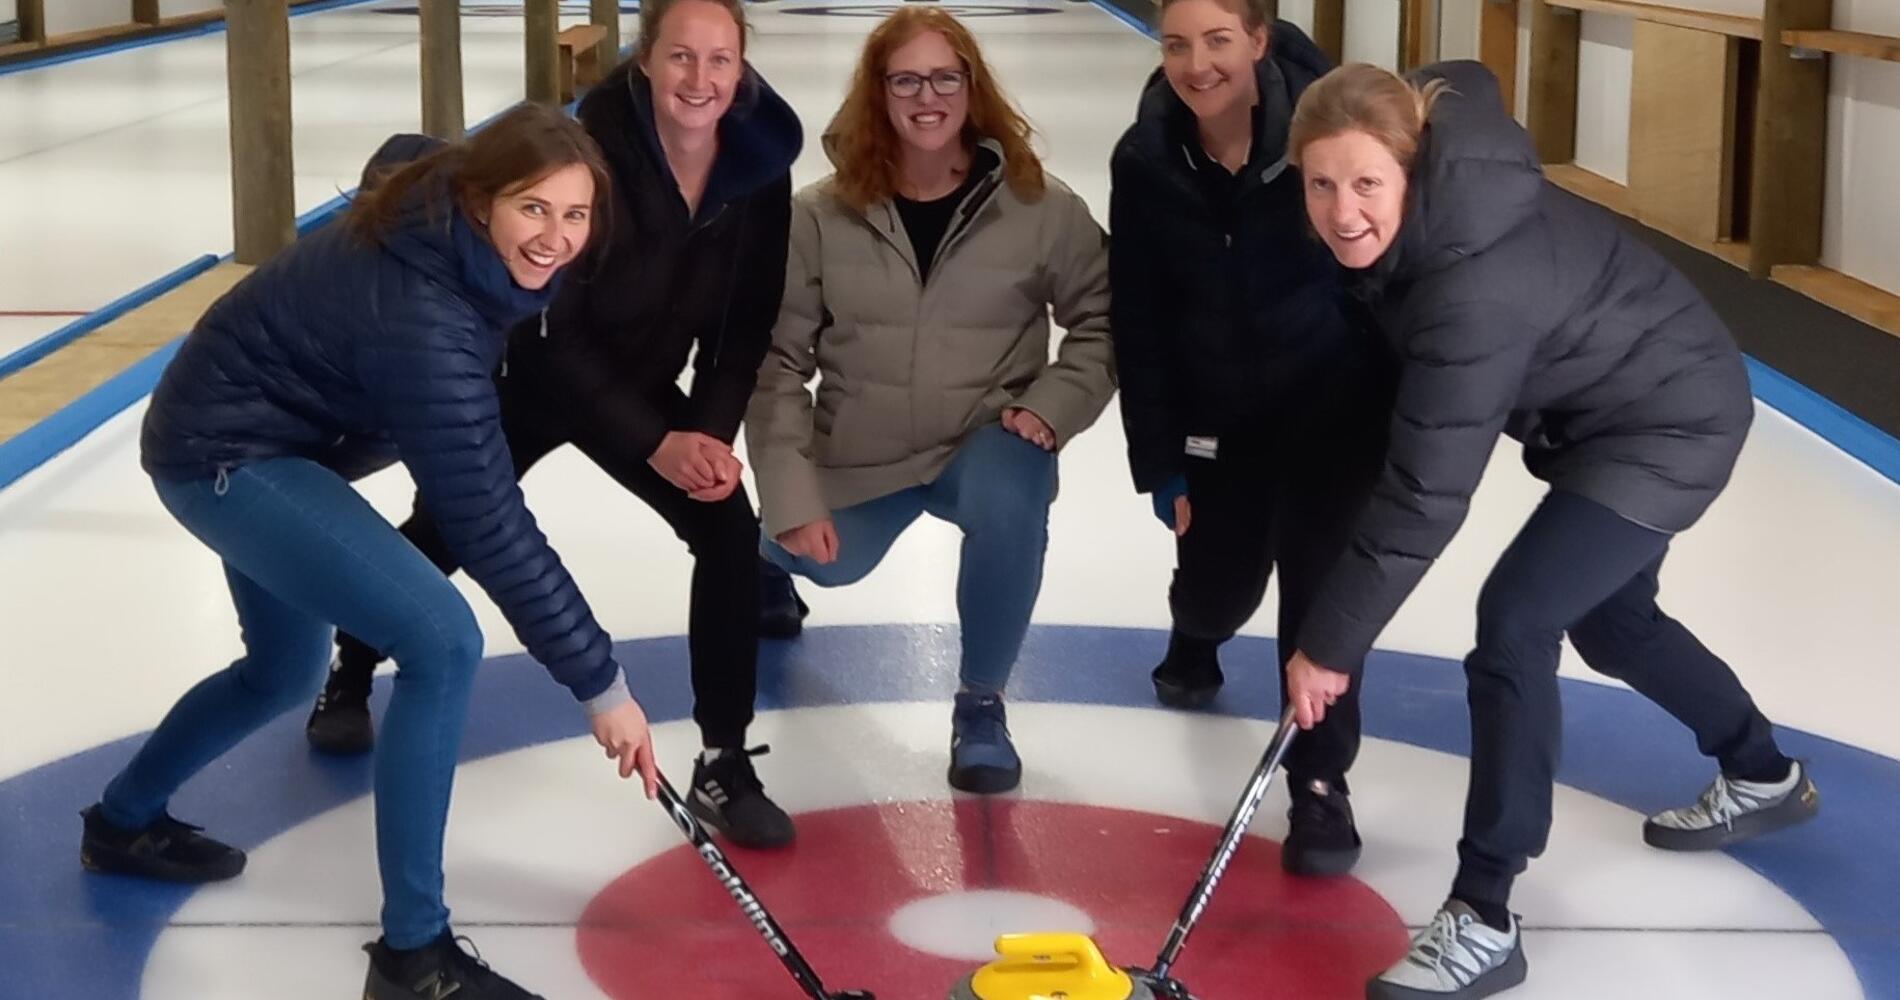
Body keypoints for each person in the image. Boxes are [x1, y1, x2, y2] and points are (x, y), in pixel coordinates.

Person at [81, 104, 659, 1000]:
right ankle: (414, 959)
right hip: (227, 454)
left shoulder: (442, 231)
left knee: (281, 672)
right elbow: (486, 518)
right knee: (443, 640)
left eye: (575, 214)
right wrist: (601, 686)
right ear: (479, 201)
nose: (554, 237)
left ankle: (121, 823)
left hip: (271, 436)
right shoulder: (424, 314)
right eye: (532, 210)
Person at [1284, 61, 1821, 999]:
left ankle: (1484, 912)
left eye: (1366, 183)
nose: (1342, 211)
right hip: (1605, 411)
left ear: (1411, 171)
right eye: (1320, 184)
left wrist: (1330, 643)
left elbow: (1426, 493)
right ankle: (1761, 771)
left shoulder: (1471, 288)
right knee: (1612, 622)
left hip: (1669, 423)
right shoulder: (1435, 226)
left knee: (1516, 622)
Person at [305, 0, 803, 848]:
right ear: (646, 59)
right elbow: (554, 330)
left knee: (726, 527)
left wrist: (710, 435)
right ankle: (353, 659)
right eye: (681, 56)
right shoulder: (594, 151)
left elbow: (745, 320)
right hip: (533, 372)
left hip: (643, 384)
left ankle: (724, 759)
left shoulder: (757, 166)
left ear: (743, 67)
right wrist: (654, 440)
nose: (701, 80)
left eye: (720, 61)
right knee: (453, 526)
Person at [746, 5, 1116, 795]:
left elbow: (1104, 318)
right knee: (825, 563)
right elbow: (777, 363)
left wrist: (1053, 404)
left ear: (972, 87)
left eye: (946, 77)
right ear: (877, 93)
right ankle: (765, 562)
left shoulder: (1040, 208)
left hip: (985, 437)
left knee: (1011, 494)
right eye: (906, 78)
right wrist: (789, 498)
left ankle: (981, 704)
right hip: (866, 448)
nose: (927, 96)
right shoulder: (818, 216)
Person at [1108, 0, 1391, 877]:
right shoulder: (1146, 160)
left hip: (1329, 413)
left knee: (1319, 601)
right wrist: (1158, 458)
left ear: (1260, 42)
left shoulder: (1321, 136)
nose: (1198, 65)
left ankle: (1317, 785)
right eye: (1178, 44)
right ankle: (1195, 633)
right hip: (1216, 419)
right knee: (1218, 589)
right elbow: (1139, 319)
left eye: (1219, 40)